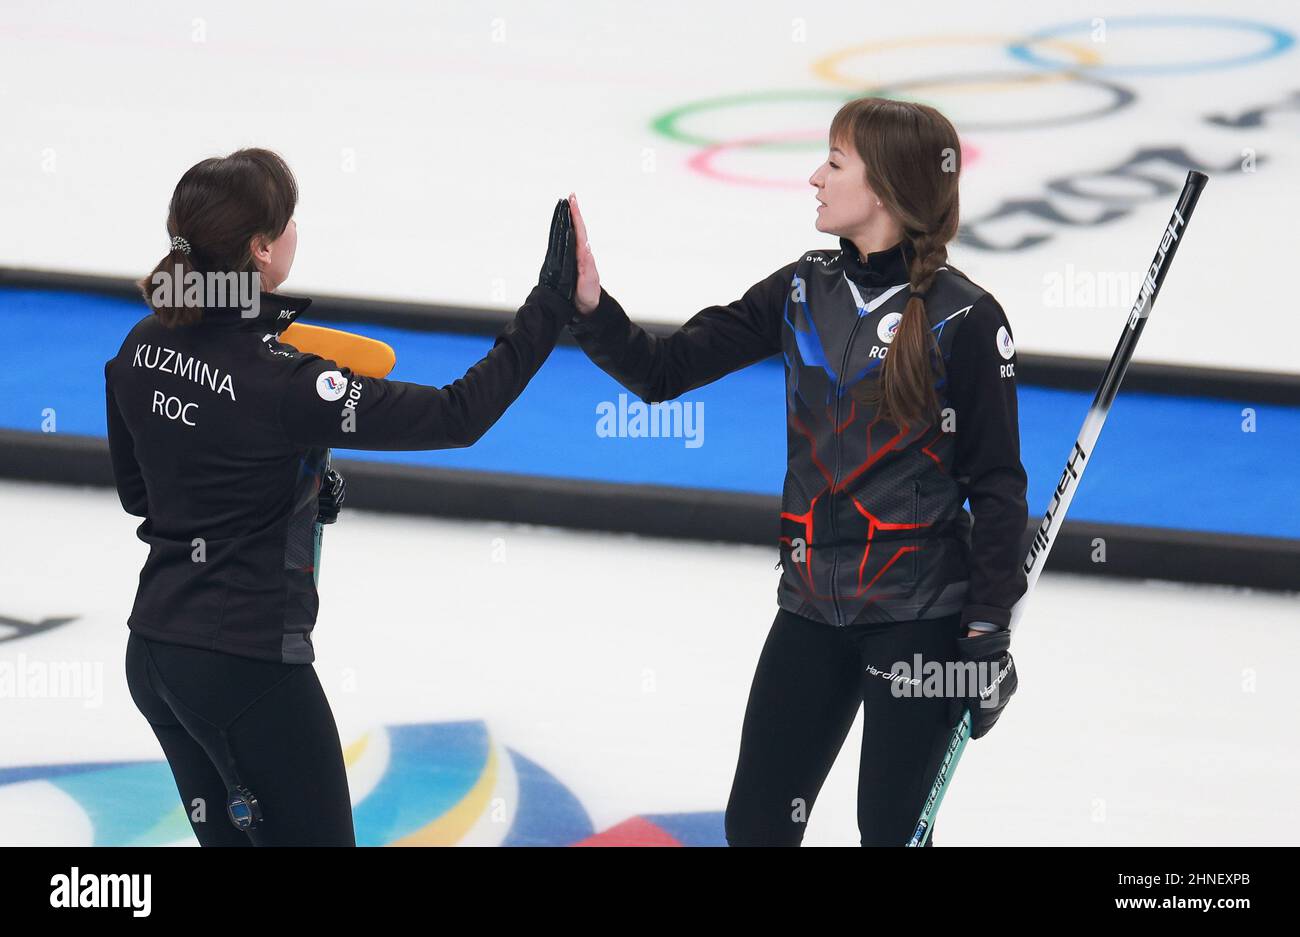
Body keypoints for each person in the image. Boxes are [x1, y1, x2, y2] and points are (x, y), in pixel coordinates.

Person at [565, 98, 1027, 846]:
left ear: (883, 190)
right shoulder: (803, 287)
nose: (815, 177)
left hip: (918, 625)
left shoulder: (967, 319)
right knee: (755, 825)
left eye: (835, 163)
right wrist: (588, 302)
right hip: (811, 609)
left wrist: (986, 630)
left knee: (891, 832)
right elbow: (664, 369)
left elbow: (999, 486)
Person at [105, 148, 578, 846]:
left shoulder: (141, 343)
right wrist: (550, 305)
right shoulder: (287, 384)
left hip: (156, 657)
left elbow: (144, 494)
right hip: (247, 668)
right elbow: (457, 416)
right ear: (262, 249)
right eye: (288, 220)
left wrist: (288, 486)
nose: (297, 229)